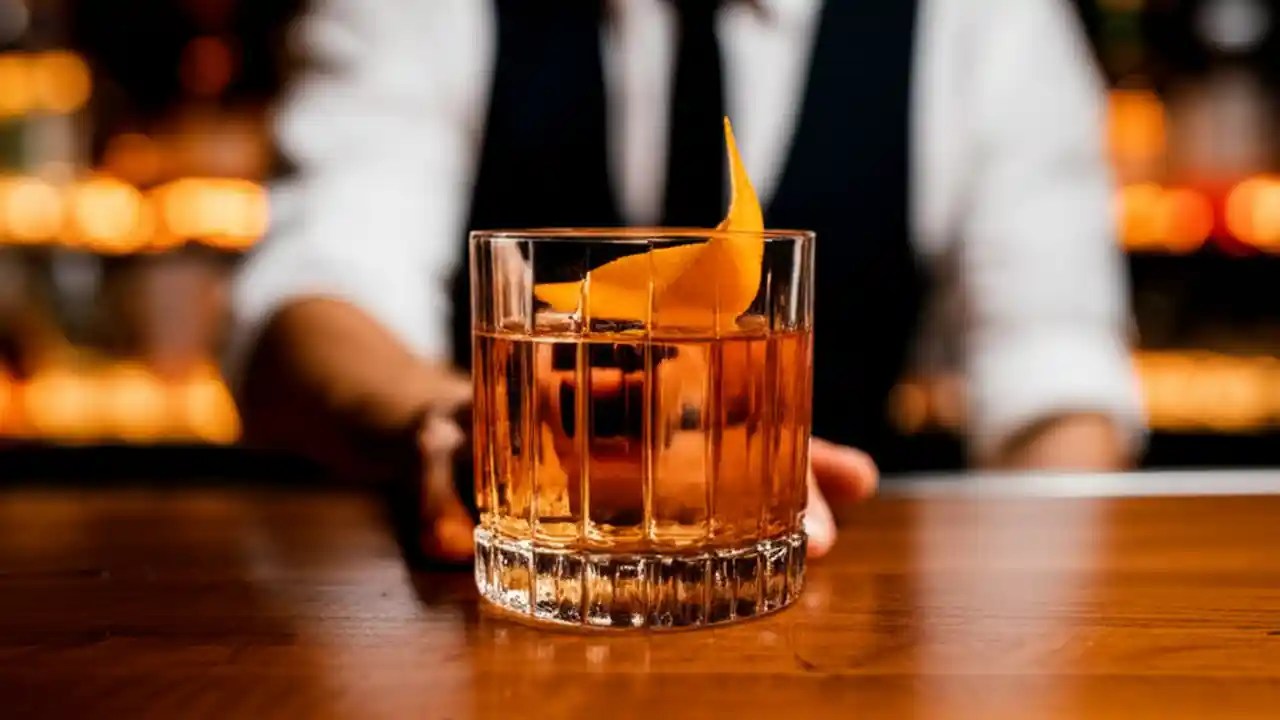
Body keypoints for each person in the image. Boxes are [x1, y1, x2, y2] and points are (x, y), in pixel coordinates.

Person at [231, 0, 1143, 564]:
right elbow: (314, 295)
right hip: (501, 623)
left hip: (824, 629)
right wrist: (453, 419)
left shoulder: (988, 18)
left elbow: (1056, 382)